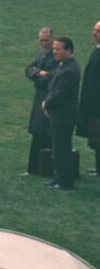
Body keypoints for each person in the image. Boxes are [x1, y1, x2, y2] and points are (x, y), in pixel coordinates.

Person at [42, 36, 81, 191]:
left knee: (62, 149)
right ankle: (58, 176)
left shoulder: (70, 70)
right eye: (54, 49)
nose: (54, 52)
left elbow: (60, 93)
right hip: (59, 114)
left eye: (58, 49)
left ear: (68, 50)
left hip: (64, 116)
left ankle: (65, 181)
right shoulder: (63, 66)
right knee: (58, 148)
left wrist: (47, 104)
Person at [24, 27, 56, 178]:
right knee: (38, 131)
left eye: (46, 40)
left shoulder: (55, 56)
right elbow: (28, 69)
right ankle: (35, 167)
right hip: (40, 96)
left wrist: (37, 74)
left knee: (46, 131)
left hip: (47, 96)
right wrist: (38, 73)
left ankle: (44, 166)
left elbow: (50, 78)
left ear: (52, 39)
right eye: (41, 40)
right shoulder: (42, 55)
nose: (43, 43)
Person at [77, 20, 100, 177]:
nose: (94, 33)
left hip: (97, 104)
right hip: (93, 103)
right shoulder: (96, 50)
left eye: (97, 31)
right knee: (96, 137)